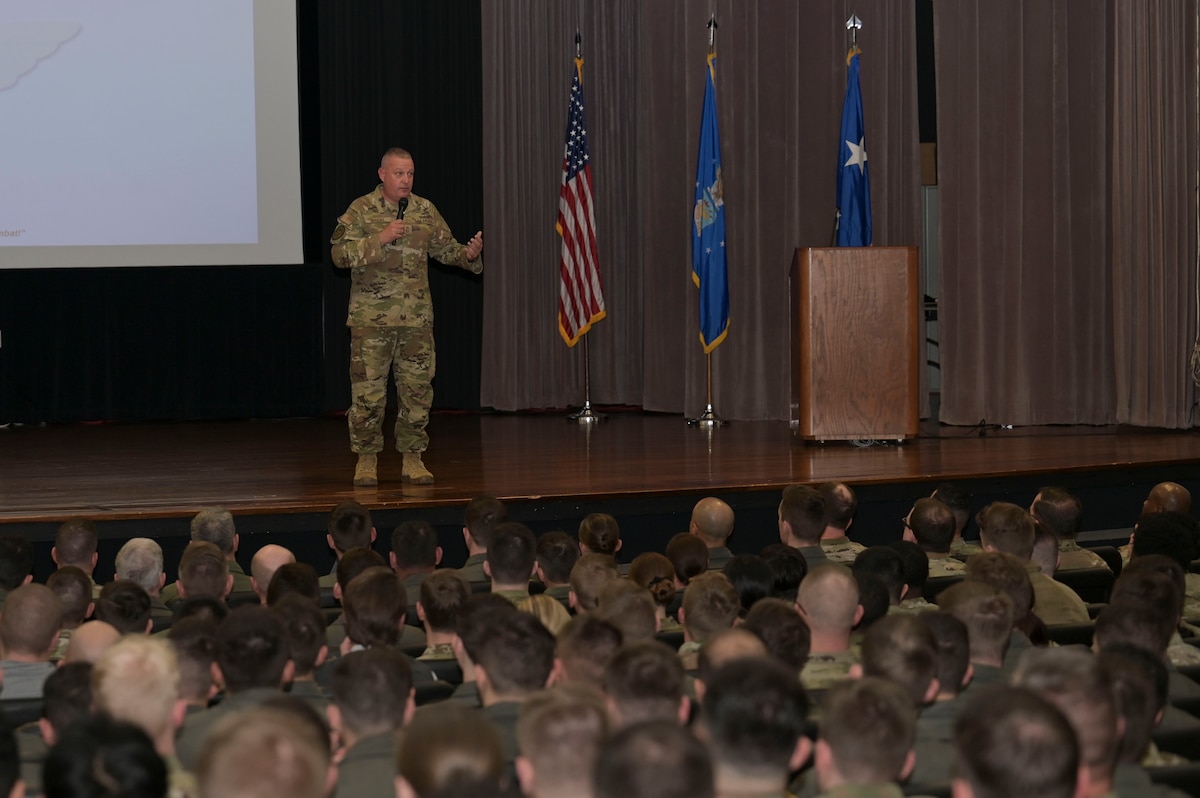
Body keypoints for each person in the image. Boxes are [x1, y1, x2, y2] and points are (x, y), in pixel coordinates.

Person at [331, 146, 484, 487]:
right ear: (382, 174)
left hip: (416, 321)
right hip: (371, 323)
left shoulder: (425, 210)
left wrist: (469, 255)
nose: (405, 180)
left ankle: (413, 458)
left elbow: (447, 251)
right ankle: (367, 459)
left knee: (417, 392)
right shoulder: (361, 209)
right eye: (399, 173)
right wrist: (380, 239)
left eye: (410, 173)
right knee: (368, 396)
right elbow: (339, 255)